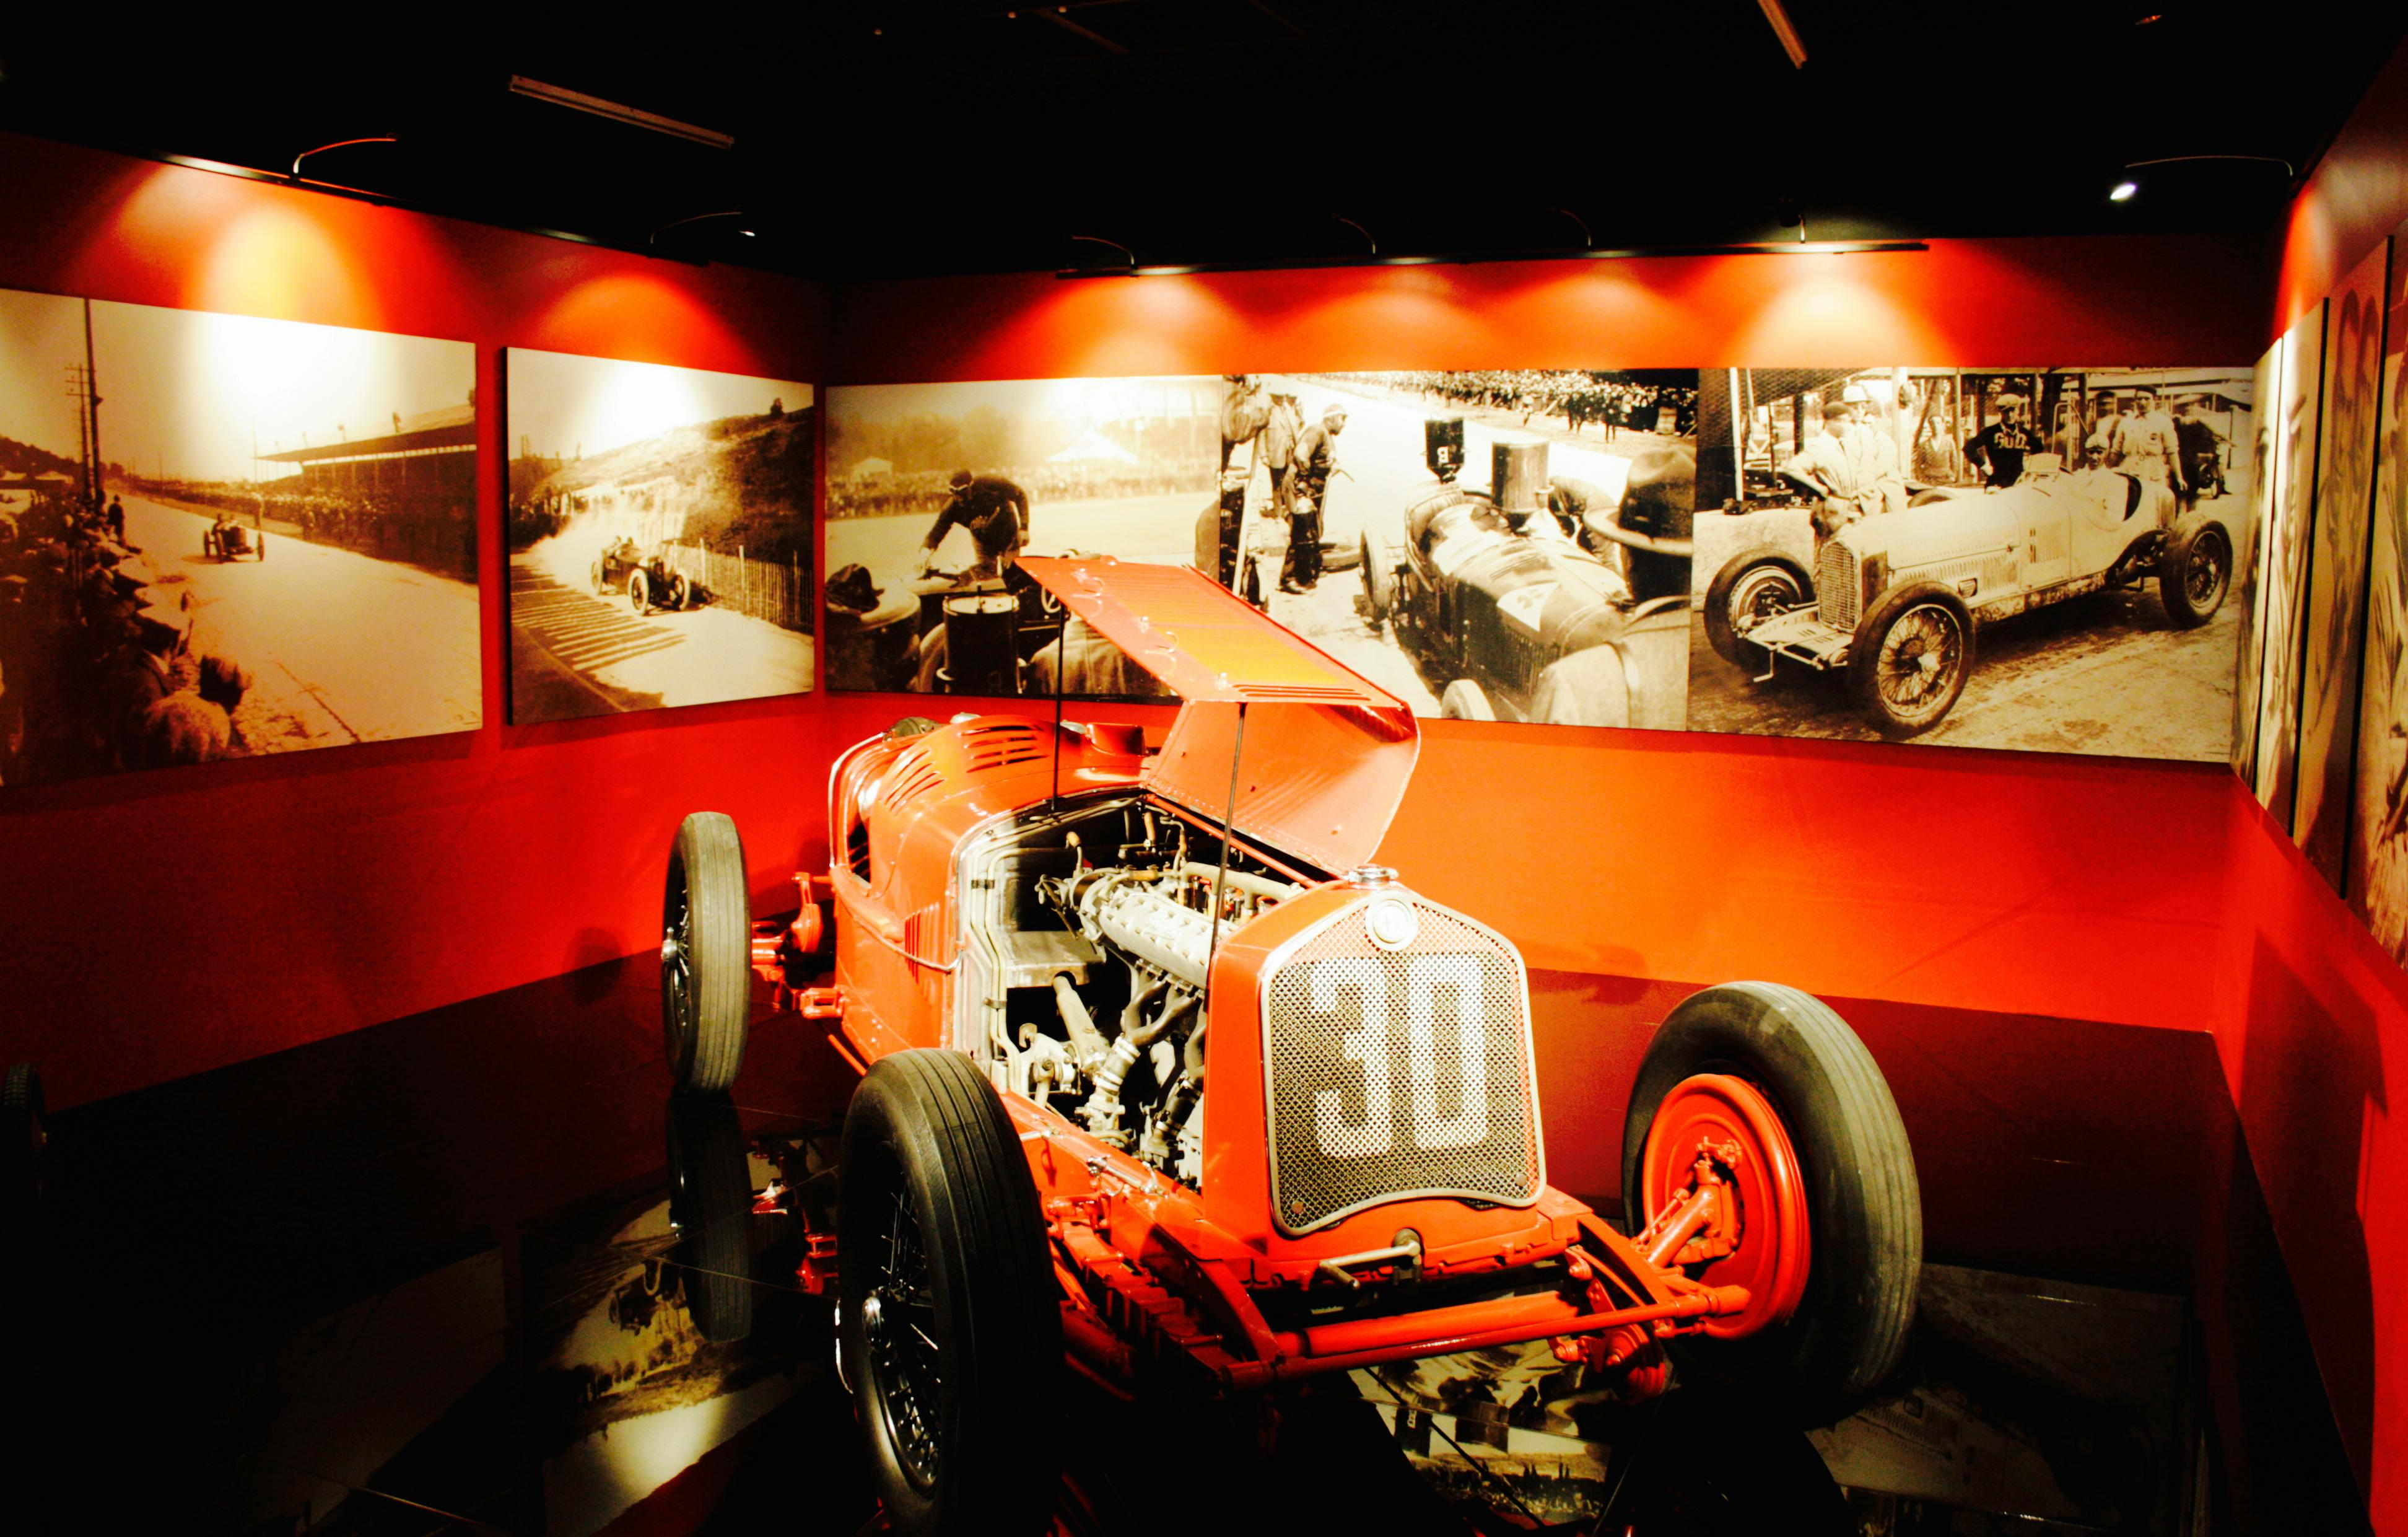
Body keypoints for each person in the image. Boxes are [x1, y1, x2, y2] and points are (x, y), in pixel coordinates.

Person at [1782, 398, 1905, 538]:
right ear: (1835, 422)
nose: (1851, 427)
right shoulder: (1820, 447)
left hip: (1850, 508)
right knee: (1836, 551)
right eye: (1847, 422)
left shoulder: (1841, 444)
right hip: (1835, 510)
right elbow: (1792, 469)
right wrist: (1819, 489)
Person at [917, 470, 1031, 580]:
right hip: (983, 542)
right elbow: (937, 531)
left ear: (971, 487)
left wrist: (1024, 528)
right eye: (955, 494)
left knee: (1011, 577)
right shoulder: (952, 507)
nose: (959, 498)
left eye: (963, 493)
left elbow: (1019, 495)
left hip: (1009, 536)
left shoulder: (989, 484)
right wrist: (925, 554)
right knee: (985, 578)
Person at [1284, 404, 1346, 592]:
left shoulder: (1327, 435)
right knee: (1301, 531)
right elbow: (1301, 454)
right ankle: (1290, 578)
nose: (1344, 425)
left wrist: (1331, 466)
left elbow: (1323, 458)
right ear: (1331, 419)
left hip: (1312, 490)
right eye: (1342, 419)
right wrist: (1304, 484)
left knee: (1313, 530)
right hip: (1302, 488)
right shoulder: (1317, 430)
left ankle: (1308, 570)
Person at [2111, 387, 2185, 494]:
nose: (2143, 402)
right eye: (2139, 399)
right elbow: (2116, 451)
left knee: (2152, 504)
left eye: (2147, 399)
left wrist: (2179, 477)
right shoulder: (2126, 423)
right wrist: (2106, 471)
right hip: (2129, 469)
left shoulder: (2163, 422)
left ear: (2155, 400)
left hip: (2153, 471)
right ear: (2135, 401)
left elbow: (2172, 452)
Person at [1963, 395, 2046, 488]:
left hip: (2019, 481)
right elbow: (1969, 448)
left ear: (2018, 411)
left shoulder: (2023, 432)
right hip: (1997, 480)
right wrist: (1983, 466)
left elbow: (2039, 447)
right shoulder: (1991, 432)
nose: (2010, 415)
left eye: (2013, 410)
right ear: (2000, 412)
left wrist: (2029, 467)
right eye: (2006, 412)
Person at [2174, 400, 2223, 512]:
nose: (2188, 410)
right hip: (2181, 458)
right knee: (2182, 491)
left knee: (2190, 490)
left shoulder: (2197, 423)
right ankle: (2183, 514)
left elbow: (2213, 433)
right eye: (2185, 408)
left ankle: (2190, 513)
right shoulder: (2176, 422)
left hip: (2190, 459)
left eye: (2190, 407)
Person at [1259, 392, 1301, 517]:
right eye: (1278, 398)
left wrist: (1299, 412)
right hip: (1276, 454)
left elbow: (1298, 426)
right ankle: (1278, 514)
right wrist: (1263, 455)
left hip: (1290, 452)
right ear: (1273, 398)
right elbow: (1261, 434)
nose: (1282, 400)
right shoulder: (1268, 413)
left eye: (1283, 397)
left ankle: (1289, 510)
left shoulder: (1288, 411)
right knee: (1277, 485)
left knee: (1289, 482)